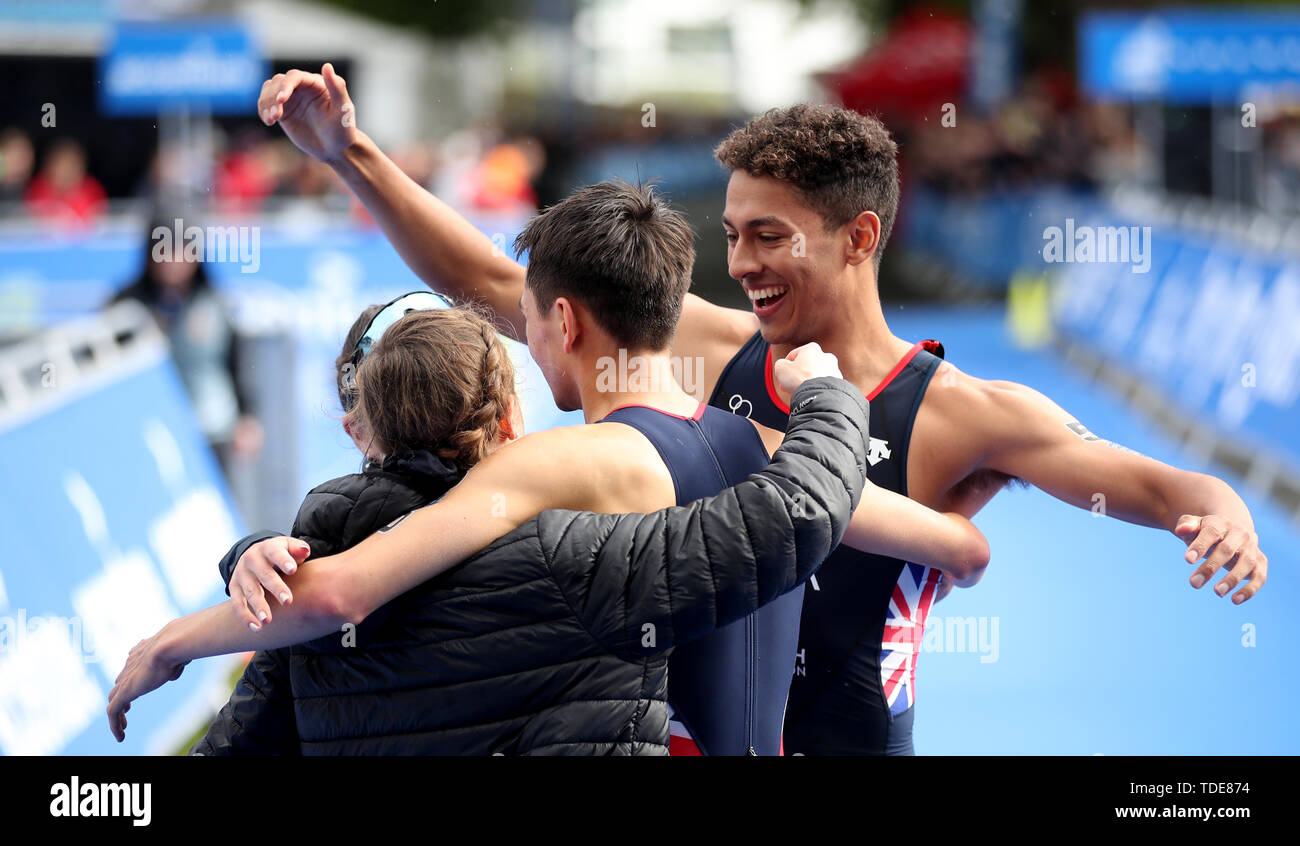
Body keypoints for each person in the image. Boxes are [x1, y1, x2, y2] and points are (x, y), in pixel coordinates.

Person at [252, 66, 1269, 755]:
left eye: (768, 237)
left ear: (858, 237)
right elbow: (489, 278)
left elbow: (1151, 482)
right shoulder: (709, 346)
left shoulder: (961, 413)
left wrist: (1216, 502)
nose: (740, 263)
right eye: (732, 235)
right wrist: (350, 155)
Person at [108, 181, 989, 755]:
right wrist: (833, 405)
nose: (523, 342)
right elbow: (956, 549)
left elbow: (347, 585)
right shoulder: (759, 446)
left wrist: (182, 632)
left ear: (564, 323)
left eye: (523, 320)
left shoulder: (546, 470)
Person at [110, 216, 262, 472]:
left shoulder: (215, 303)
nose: (173, 261)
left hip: (212, 429)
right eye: (165, 251)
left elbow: (237, 363)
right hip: (150, 432)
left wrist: (247, 416)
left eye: (182, 250)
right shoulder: (126, 308)